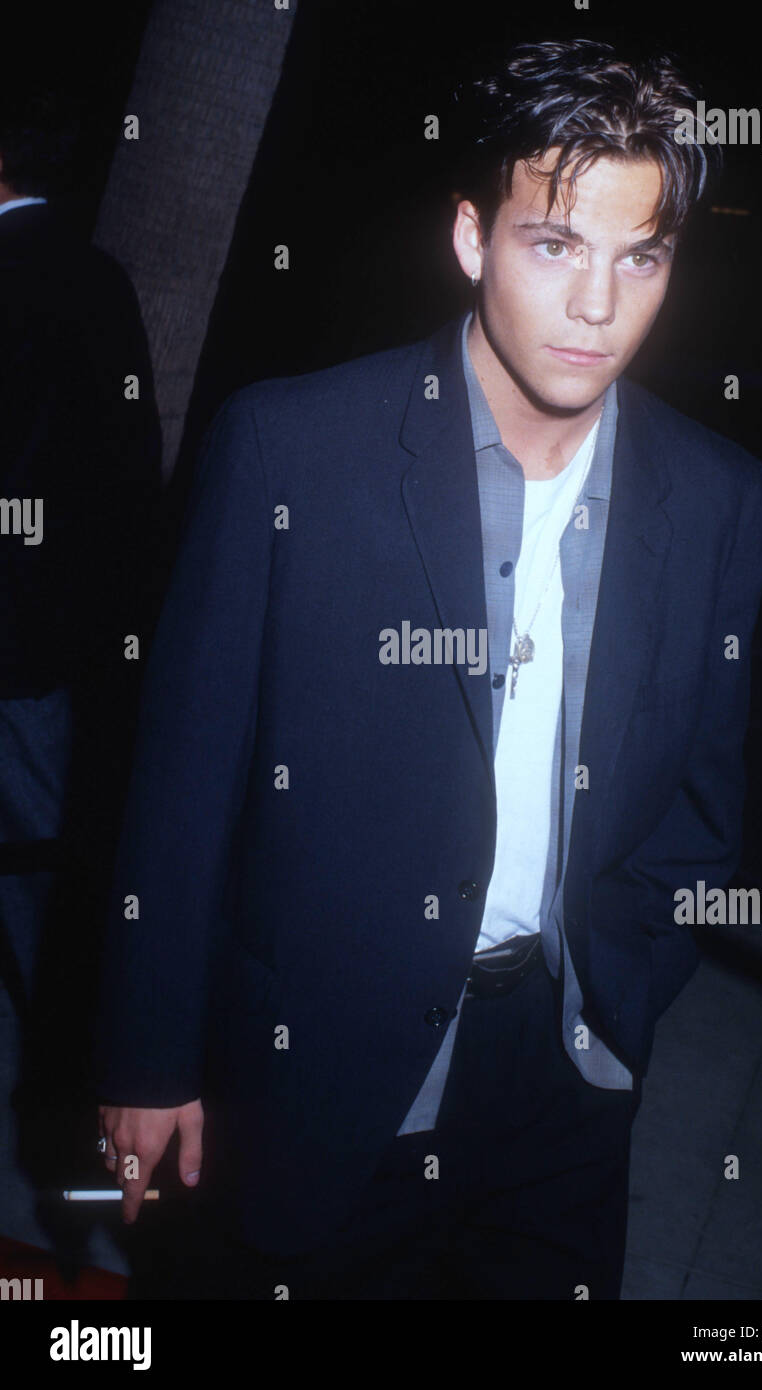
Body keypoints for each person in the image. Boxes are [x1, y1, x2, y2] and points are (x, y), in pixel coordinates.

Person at [94, 38, 762, 1300]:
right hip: (323, 1050)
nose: (595, 307)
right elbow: (183, 781)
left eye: (642, 256)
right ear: (471, 238)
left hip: (565, 1064)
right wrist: (147, 1053)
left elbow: (703, 804)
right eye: (553, 243)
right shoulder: (291, 452)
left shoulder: (721, 499)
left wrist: (616, 1007)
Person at [0, 84, 161, 1225]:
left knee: (34, 919)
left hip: (20, 664)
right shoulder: (94, 276)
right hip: (51, 661)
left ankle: (61, 1197)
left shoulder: (30, 276)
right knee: (36, 913)